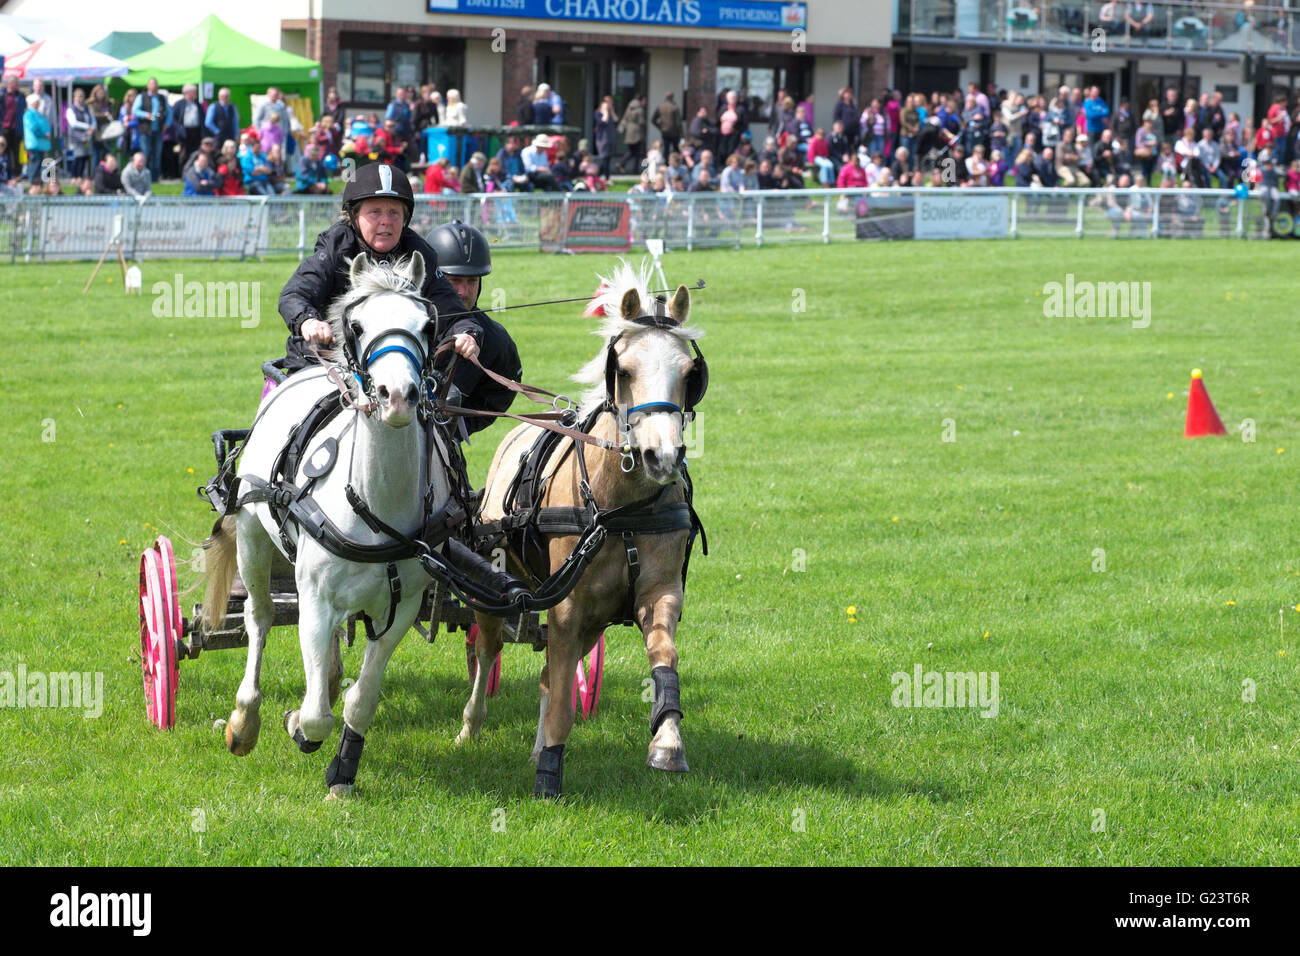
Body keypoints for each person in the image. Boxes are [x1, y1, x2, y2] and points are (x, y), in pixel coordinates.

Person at [275, 166, 503, 431]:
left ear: (405, 219)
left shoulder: (420, 253)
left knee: (437, 435)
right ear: (353, 216)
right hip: (321, 363)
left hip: (394, 367)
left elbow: (451, 310)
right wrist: (308, 322)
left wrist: (465, 333)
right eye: (375, 212)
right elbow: (294, 294)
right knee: (288, 433)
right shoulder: (335, 247)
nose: (386, 221)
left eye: (394, 213)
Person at [425, 220, 522, 431]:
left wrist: (458, 426)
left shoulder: (496, 340)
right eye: (455, 281)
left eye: (472, 281)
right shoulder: (404, 323)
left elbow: (502, 391)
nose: (464, 291)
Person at [133, 78, 168, 180]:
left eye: (155, 84)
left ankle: (155, 177)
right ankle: (144, 177)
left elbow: (169, 112)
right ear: (148, 86)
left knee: (157, 155)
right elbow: (135, 111)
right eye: (151, 84)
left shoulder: (162, 98)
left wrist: (167, 124)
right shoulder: (141, 97)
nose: (154, 86)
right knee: (145, 154)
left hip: (158, 130)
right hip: (145, 130)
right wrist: (146, 115)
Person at [22, 94, 51, 186]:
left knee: (40, 165)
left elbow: (45, 125)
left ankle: (38, 185)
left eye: (38, 102)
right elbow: (33, 127)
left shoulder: (39, 114)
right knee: (35, 164)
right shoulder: (29, 114)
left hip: (41, 144)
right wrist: (43, 134)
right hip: (34, 144)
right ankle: (33, 185)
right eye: (36, 102)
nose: (37, 104)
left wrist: (47, 133)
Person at [618, 95, 646, 173]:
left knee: (632, 151)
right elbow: (641, 122)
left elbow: (625, 118)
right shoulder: (640, 110)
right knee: (636, 152)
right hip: (637, 132)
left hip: (629, 132)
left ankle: (623, 163)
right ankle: (633, 168)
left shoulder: (629, 107)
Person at [0, 77, 23, 175]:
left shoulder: (20, 96)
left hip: (16, 128)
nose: (18, 85)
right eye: (16, 83)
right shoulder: (2, 95)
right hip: (4, 128)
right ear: (10, 84)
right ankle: (4, 174)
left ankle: (16, 175)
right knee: (3, 151)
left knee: (16, 152)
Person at [652, 92, 682, 157]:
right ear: (672, 98)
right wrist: (681, 134)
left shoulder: (660, 107)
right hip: (674, 133)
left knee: (666, 150)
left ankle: (666, 164)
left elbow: (653, 120)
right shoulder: (674, 107)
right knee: (676, 149)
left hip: (665, 132)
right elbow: (678, 123)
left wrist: (660, 127)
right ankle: (675, 163)